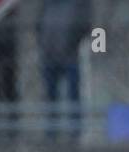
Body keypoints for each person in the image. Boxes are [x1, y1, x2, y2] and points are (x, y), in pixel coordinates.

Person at [36, 0, 92, 140]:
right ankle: (51, 133)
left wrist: (72, 42)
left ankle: (75, 133)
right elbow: (38, 24)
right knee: (50, 96)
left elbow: (86, 25)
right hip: (49, 55)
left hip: (70, 56)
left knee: (73, 95)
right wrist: (44, 44)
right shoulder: (48, 4)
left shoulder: (79, 4)